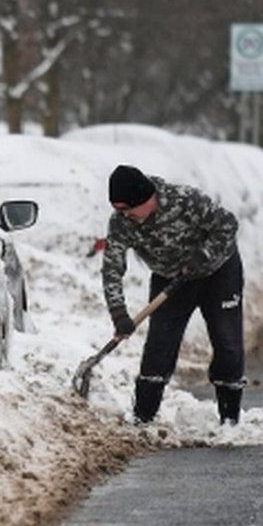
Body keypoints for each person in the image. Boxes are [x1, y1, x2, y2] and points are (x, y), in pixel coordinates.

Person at [101, 164, 244, 424]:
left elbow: (228, 224)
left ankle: (230, 418)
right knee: (160, 344)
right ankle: (143, 417)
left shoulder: (186, 200)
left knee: (227, 342)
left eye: (129, 209)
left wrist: (204, 255)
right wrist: (119, 313)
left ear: (147, 198)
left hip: (219, 273)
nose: (126, 215)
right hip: (171, 280)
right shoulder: (122, 223)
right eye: (120, 210)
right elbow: (112, 267)